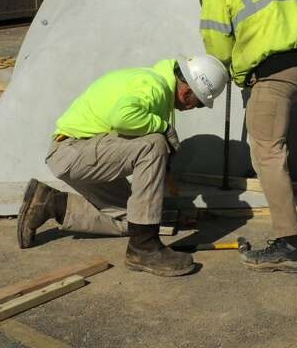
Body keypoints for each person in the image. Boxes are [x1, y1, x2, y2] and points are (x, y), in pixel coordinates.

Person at [17, 54, 228, 277]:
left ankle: (51, 204)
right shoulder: (153, 87)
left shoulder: (152, 83)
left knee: (135, 219)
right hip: (71, 152)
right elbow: (122, 118)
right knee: (153, 145)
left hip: (82, 152)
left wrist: (166, 209)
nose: (192, 109)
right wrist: (164, 129)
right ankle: (144, 248)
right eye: (197, 105)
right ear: (187, 93)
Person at [195, 0, 297, 273]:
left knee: (267, 153)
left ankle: (289, 245)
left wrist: (229, 74)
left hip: (277, 73)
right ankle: (286, 218)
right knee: (275, 145)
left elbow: (218, 51)